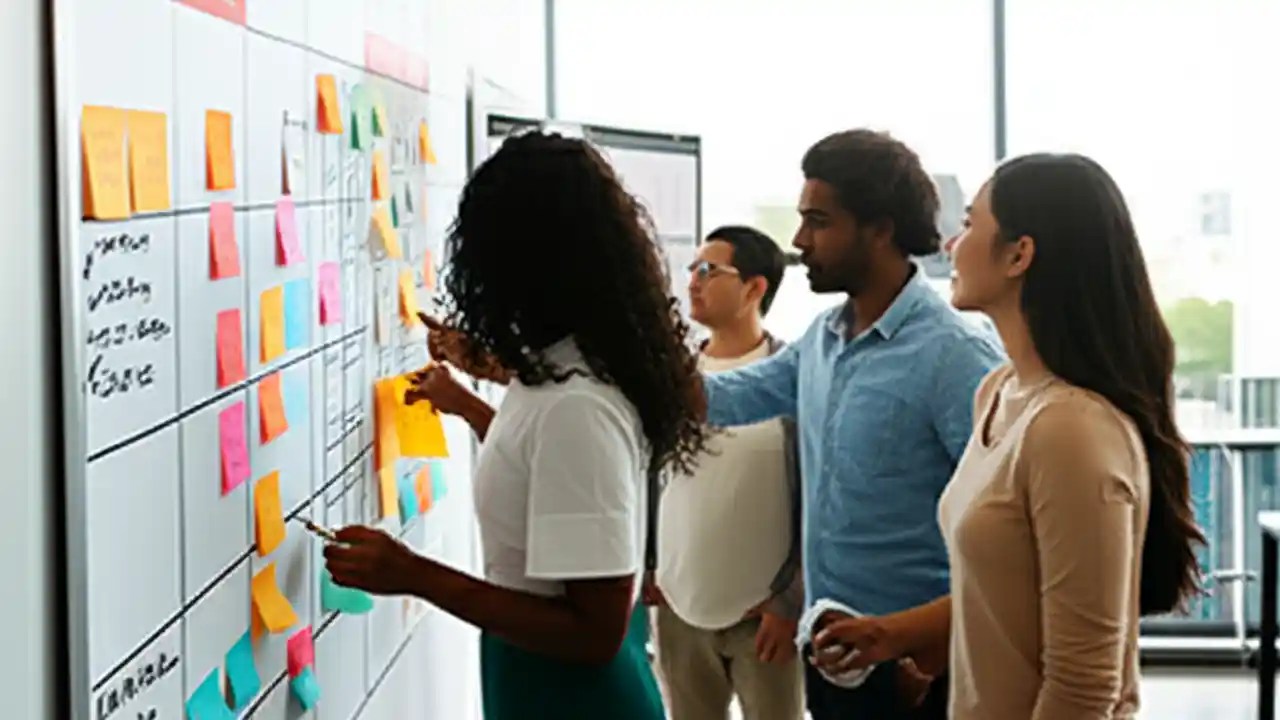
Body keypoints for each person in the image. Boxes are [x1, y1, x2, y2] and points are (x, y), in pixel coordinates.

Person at [322, 130, 711, 720]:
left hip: (578, 696)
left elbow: (591, 634)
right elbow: (540, 471)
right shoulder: (565, 370)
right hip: (544, 681)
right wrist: (475, 396)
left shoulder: (577, 406)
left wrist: (411, 572)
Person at [812, 154, 1205, 719]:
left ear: (1020, 254)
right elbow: (1009, 590)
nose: (952, 245)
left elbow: (1083, 687)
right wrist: (892, 633)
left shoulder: (1071, 429)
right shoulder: (998, 391)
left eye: (970, 224)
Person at [700, 129, 1006, 719]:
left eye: (819, 221)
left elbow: (1006, 533)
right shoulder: (822, 339)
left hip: (924, 667)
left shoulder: (955, 355)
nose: (798, 241)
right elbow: (726, 399)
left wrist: (938, 649)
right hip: (834, 658)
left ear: (881, 229)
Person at [645, 225, 805, 720]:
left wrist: (790, 600)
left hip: (765, 619)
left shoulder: (792, 375)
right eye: (693, 269)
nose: (693, 281)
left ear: (755, 288)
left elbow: (820, 496)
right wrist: (649, 565)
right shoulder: (674, 376)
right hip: (678, 608)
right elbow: (650, 478)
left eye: (710, 271)